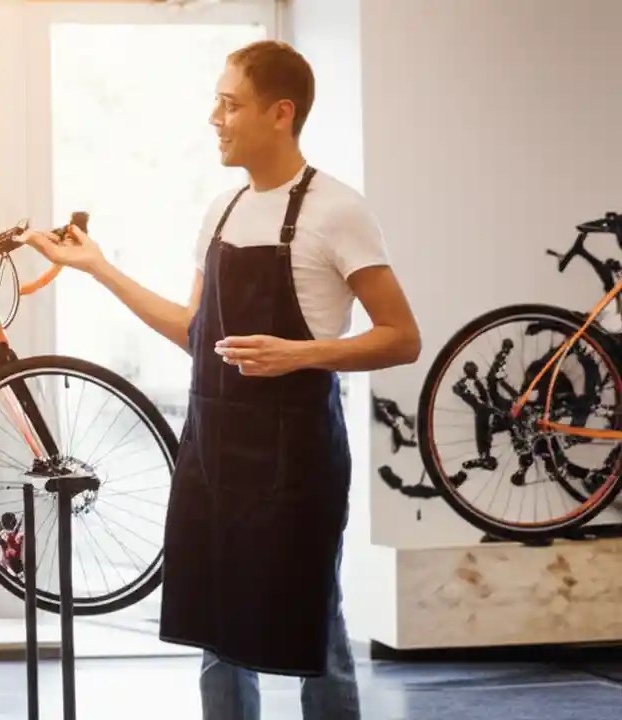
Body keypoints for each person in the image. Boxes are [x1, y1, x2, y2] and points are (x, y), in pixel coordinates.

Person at [24, 40, 420, 720]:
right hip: (211, 449)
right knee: (218, 628)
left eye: (230, 104)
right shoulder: (224, 209)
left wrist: (300, 354)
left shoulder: (337, 210)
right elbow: (193, 333)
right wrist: (99, 268)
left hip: (295, 461)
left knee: (312, 625)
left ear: (280, 113)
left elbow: (402, 338)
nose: (215, 117)